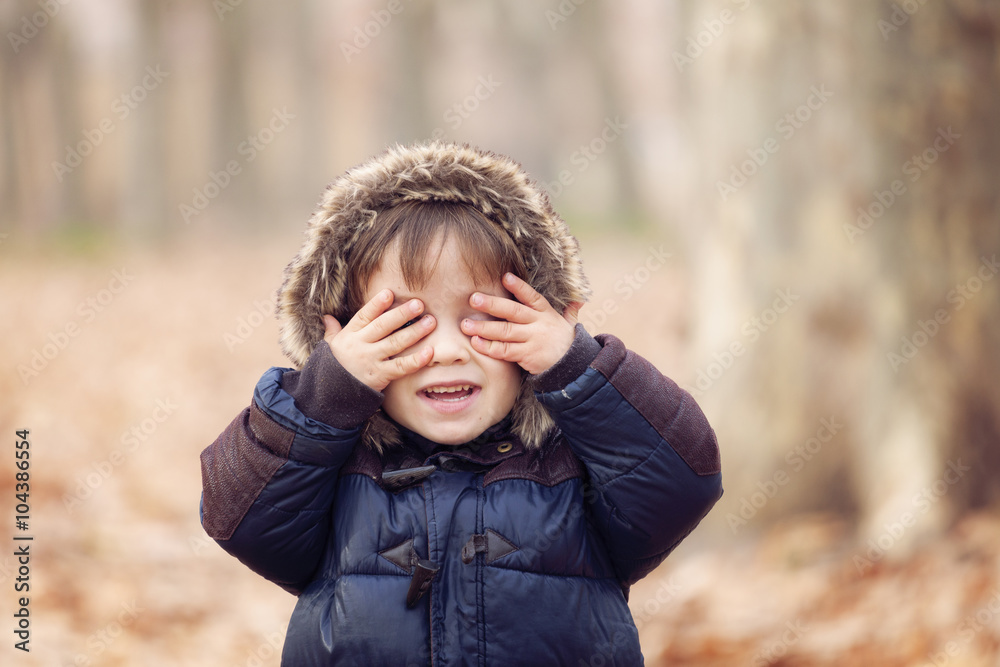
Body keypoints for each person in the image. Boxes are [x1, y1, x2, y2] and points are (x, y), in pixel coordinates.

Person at [199, 142, 722, 665]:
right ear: (340, 338)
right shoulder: (336, 466)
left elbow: (682, 483)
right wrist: (325, 396)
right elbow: (239, 518)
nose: (447, 352)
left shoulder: (573, 463)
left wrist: (577, 368)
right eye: (405, 326)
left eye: (484, 320)